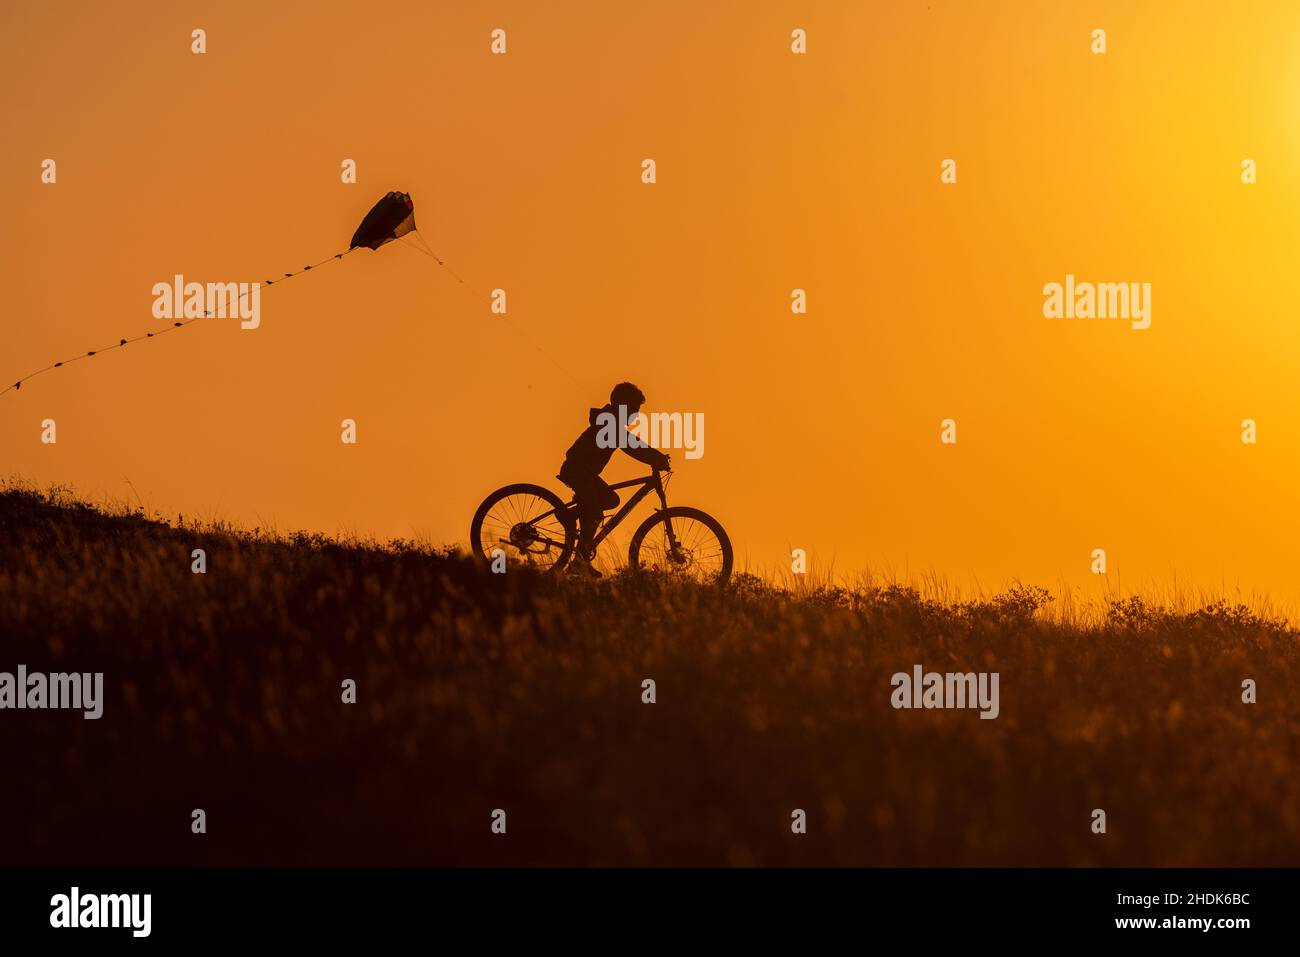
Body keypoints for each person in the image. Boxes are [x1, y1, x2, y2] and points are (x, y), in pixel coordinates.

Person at [558, 382, 670, 576]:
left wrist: (655, 457)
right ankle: (578, 561)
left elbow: (630, 442)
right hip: (577, 471)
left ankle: (572, 521)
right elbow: (630, 444)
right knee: (594, 512)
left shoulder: (610, 421)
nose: (636, 415)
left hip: (584, 472)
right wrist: (656, 458)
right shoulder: (609, 422)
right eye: (634, 409)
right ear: (623, 406)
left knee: (610, 499)